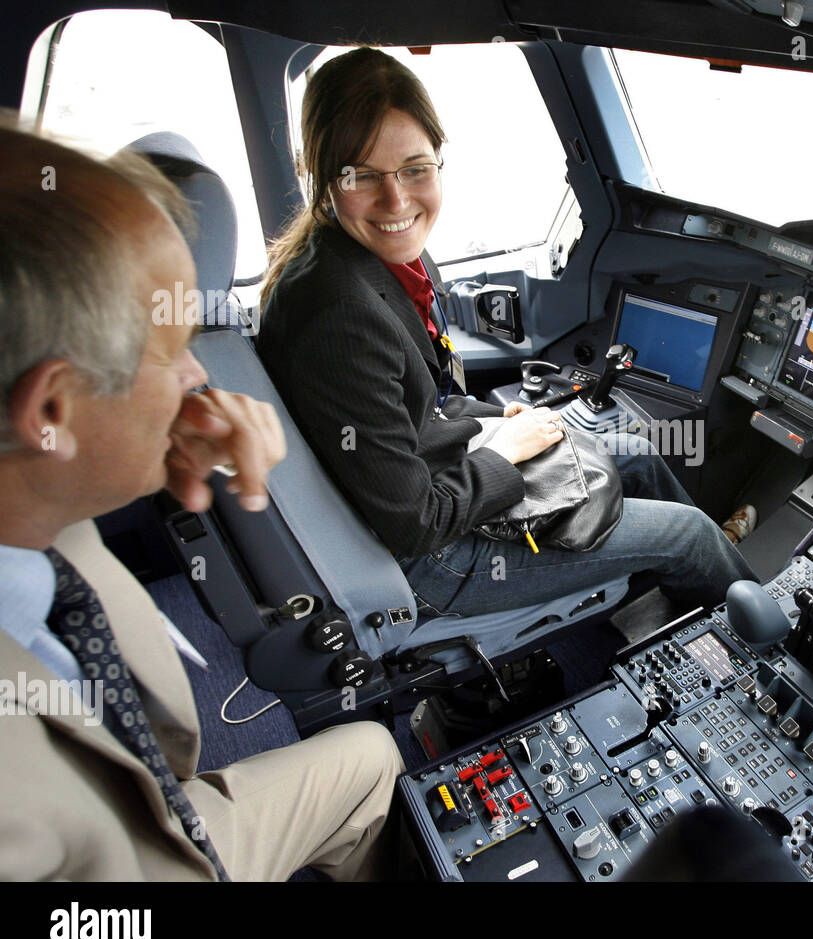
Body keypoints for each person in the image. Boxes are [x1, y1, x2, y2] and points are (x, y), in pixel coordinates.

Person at [0, 123, 403, 881]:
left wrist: (138, 431)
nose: (199, 376)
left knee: (373, 756)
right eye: (173, 348)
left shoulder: (32, 488)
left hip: (155, 803)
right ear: (50, 407)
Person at [256, 47, 756, 620]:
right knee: (688, 534)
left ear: (438, 161)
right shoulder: (339, 313)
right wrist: (506, 451)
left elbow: (417, 407)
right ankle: (761, 635)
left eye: (415, 169)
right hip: (434, 563)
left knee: (639, 455)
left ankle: (695, 587)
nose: (396, 201)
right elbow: (416, 524)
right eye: (362, 176)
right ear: (323, 177)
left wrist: (496, 420)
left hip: (438, 478)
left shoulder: (364, 258)